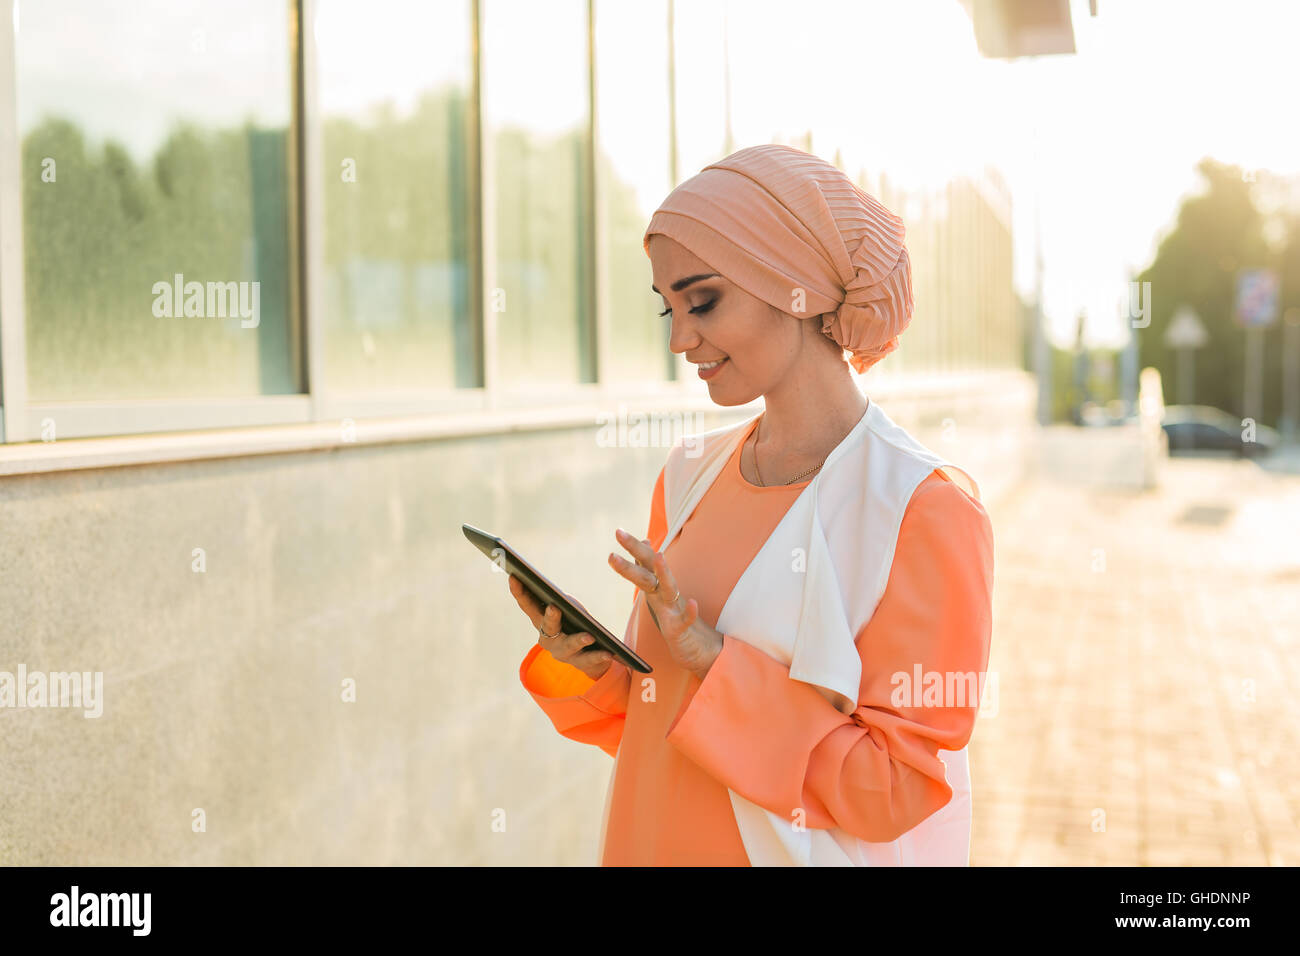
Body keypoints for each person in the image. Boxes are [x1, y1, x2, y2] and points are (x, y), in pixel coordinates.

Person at [508, 143, 994, 866]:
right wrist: (587, 662)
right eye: (667, 308)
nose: (680, 338)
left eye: (702, 301)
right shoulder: (687, 476)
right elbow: (661, 719)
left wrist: (715, 661)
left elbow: (894, 790)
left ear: (795, 286)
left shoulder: (923, 511)